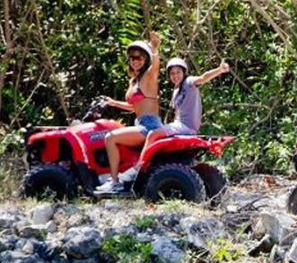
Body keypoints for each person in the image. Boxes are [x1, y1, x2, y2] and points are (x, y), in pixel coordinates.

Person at [114, 57, 231, 185]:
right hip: (179, 125)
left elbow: (203, 78)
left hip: (185, 126)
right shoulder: (176, 90)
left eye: (178, 72)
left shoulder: (188, 82)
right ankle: (153, 168)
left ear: (184, 72)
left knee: (153, 134)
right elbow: (177, 114)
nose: (175, 76)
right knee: (157, 136)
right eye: (172, 73)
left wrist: (219, 70)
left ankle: (138, 168)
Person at [94, 33, 162, 194]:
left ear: (146, 59)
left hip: (149, 125)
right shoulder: (134, 81)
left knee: (110, 138)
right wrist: (113, 103)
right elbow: (135, 107)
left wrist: (154, 48)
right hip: (141, 122)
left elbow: (156, 67)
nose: (135, 61)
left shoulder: (147, 77)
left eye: (139, 57)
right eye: (132, 58)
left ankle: (115, 182)